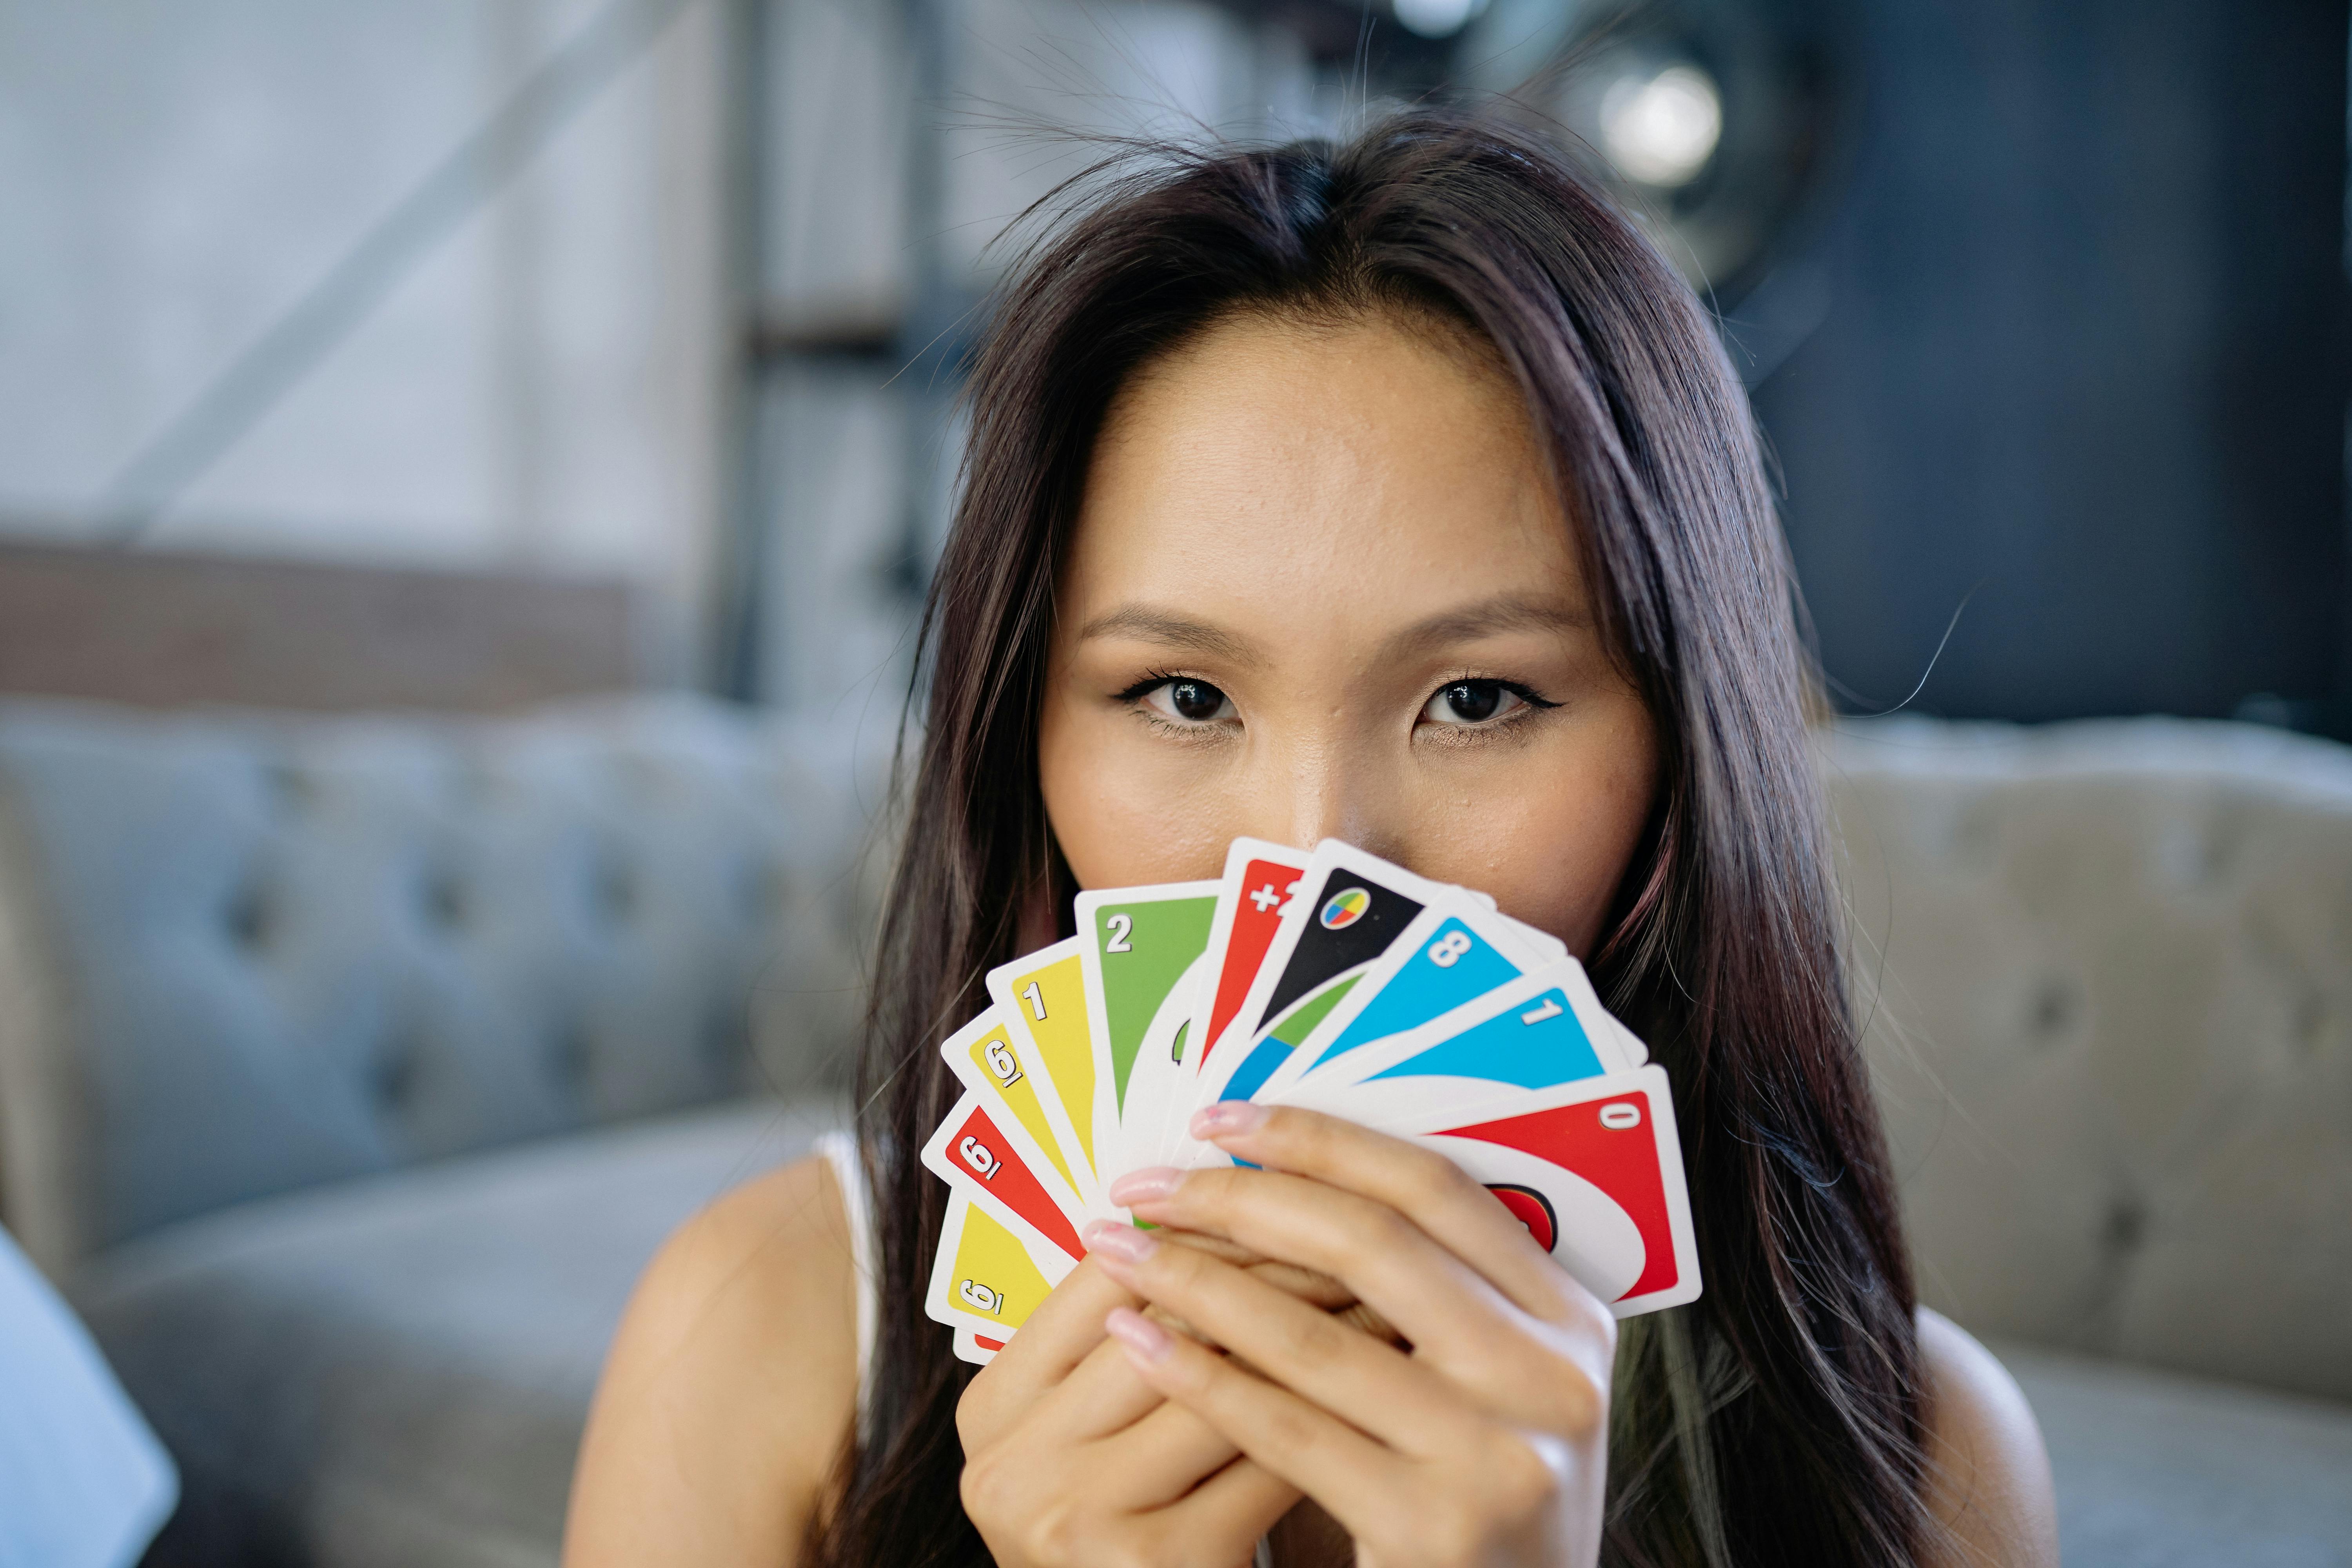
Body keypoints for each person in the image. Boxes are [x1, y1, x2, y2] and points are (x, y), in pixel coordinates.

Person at [563, 110, 2059, 1568]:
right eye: (1184, 695)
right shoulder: (757, 1337)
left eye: (1477, 700)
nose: (1317, 862)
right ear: (1026, 739)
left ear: (1681, 752)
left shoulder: (1927, 1460)